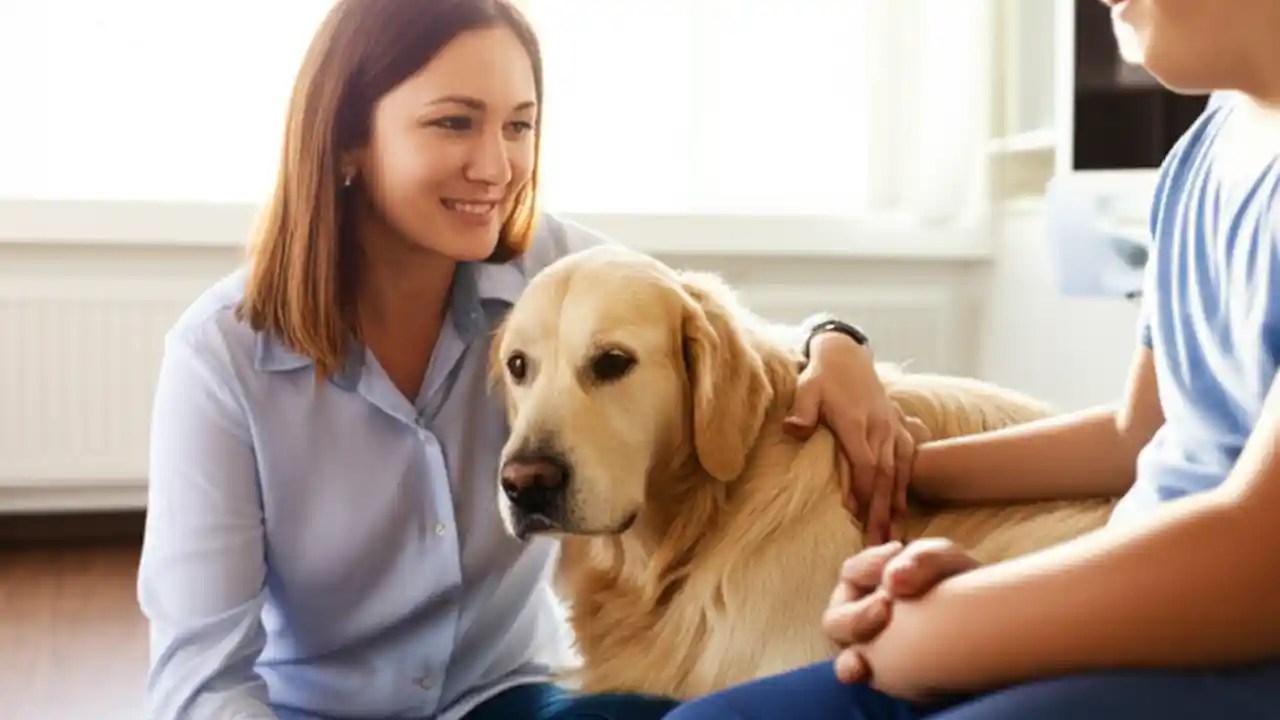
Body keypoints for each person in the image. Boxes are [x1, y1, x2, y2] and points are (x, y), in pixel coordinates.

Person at [135, 1, 918, 718]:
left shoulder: (548, 269)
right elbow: (202, 681)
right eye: (454, 124)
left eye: (519, 125)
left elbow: (703, 322)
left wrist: (834, 338)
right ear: (346, 138)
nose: (497, 168)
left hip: (508, 699)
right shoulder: (220, 359)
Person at [666, 0, 1280, 718]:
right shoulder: (1202, 153)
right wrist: (895, 472)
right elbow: (1138, 435)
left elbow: (1259, 562)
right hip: (1150, 612)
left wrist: (955, 626)